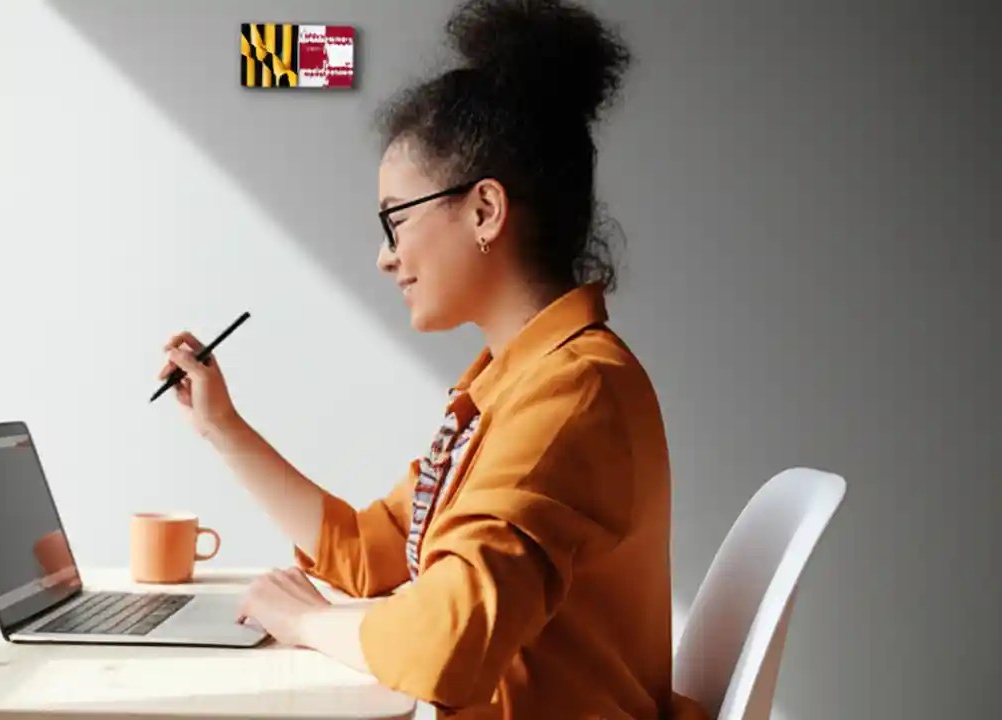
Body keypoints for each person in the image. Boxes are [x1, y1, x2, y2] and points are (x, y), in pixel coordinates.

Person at [157, 1, 709, 717]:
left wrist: (305, 623)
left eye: (396, 219)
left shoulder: (571, 395)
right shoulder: (513, 384)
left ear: (484, 211)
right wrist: (223, 427)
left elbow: (444, 648)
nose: (385, 258)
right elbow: (367, 553)